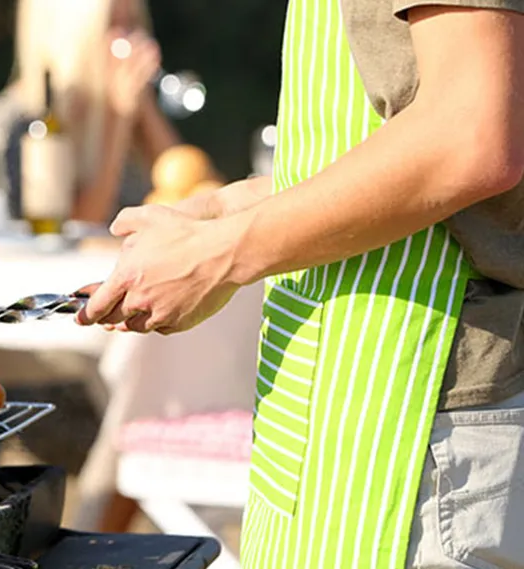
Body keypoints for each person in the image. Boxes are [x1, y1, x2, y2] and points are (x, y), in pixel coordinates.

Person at [77, 0, 524, 566]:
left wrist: (221, 254)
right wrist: (221, 210)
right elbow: (371, 147)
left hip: (419, 426)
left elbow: (469, 135)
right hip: (334, 403)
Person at [0, 0, 181, 224]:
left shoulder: (134, 104)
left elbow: (189, 188)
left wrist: (146, 109)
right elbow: (78, 226)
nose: (127, 42)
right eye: (111, 25)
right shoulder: (20, 116)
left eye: (132, 24)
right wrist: (118, 119)